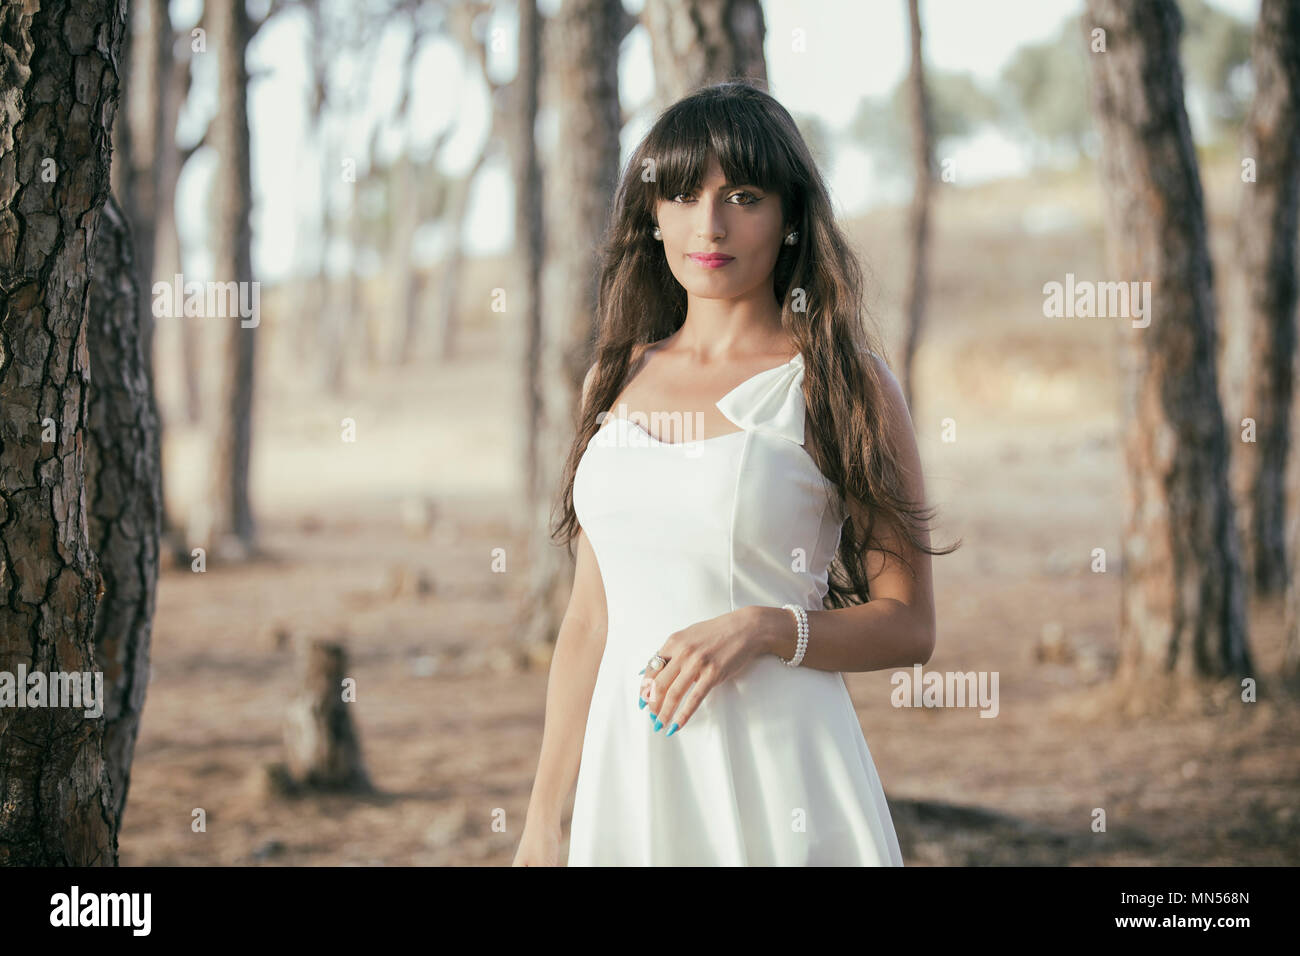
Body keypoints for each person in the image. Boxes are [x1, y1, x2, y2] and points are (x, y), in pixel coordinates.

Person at [513, 81, 957, 866]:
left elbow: (910, 625)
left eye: (743, 196)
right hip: (635, 779)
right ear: (652, 216)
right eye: (682, 195)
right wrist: (546, 819)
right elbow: (589, 620)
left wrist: (763, 627)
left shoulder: (841, 383)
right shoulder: (611, 379)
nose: (708, 225)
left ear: (789, 219)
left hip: (780, 771)